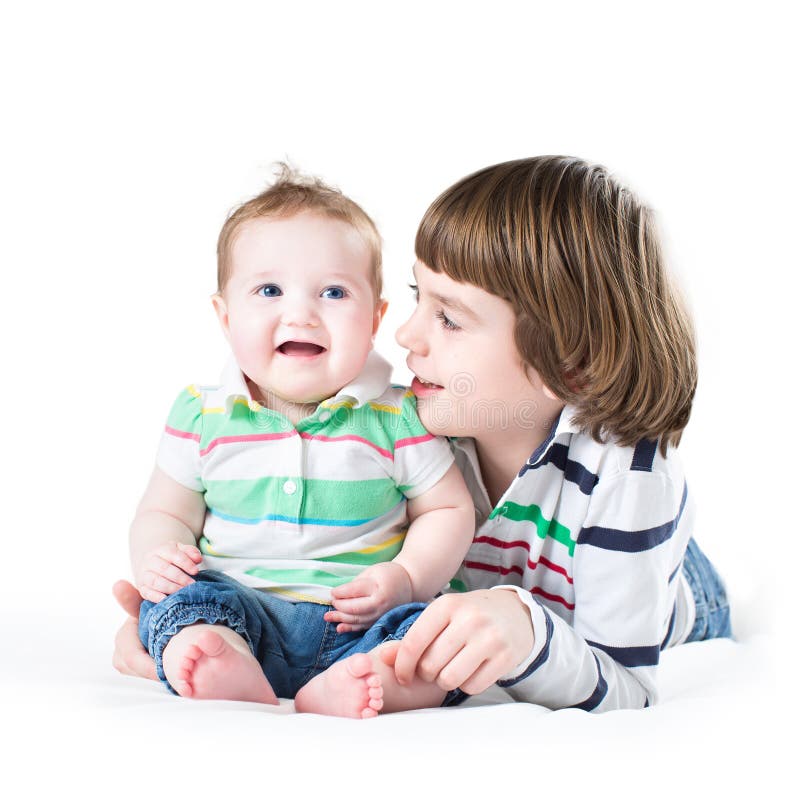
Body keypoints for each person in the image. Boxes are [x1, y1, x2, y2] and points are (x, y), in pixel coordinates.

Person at [114, 156, 731, 712]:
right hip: (487, 603)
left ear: (567, 363)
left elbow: (628, 688)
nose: (406, 336)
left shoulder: (628, 478)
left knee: (676, 593)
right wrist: (182, 624)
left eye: (449, 318)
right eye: (418, 297)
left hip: (663, 588)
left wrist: (526, 631)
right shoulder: (418, 422)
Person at [129, 166, 475, 719]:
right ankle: (221, 660)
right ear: (225, 316)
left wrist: (407, 577)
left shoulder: (397, 415)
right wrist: (159, 557)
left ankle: (369, 679)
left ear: (375, 319)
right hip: (239, 608)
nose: (301, 314)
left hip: (361, 622)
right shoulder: (202, 414)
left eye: (334, 292)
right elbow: (164, 512)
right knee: (182, 605)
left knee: (437, 633)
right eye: (269, 291)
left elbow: (448, 509)